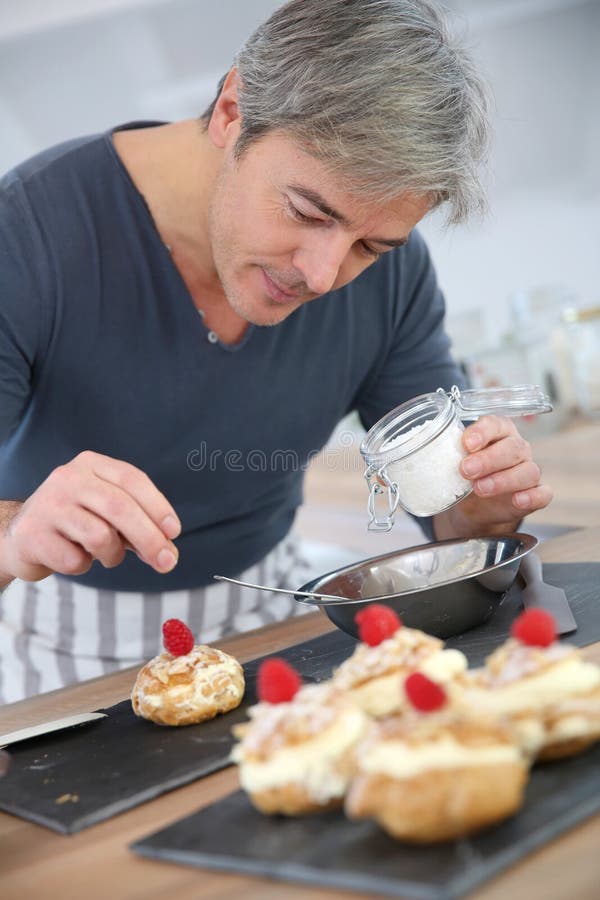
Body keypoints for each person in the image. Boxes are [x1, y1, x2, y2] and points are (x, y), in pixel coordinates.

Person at [0, 0, 551, 704]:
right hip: (64, 650)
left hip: (274, 618)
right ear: (232, 109)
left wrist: (482, 512)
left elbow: (446, 517)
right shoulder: (25, 239)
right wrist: (18, 532)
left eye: (368, 246)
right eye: (307, 212)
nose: (321, 275)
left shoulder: (394, 276)